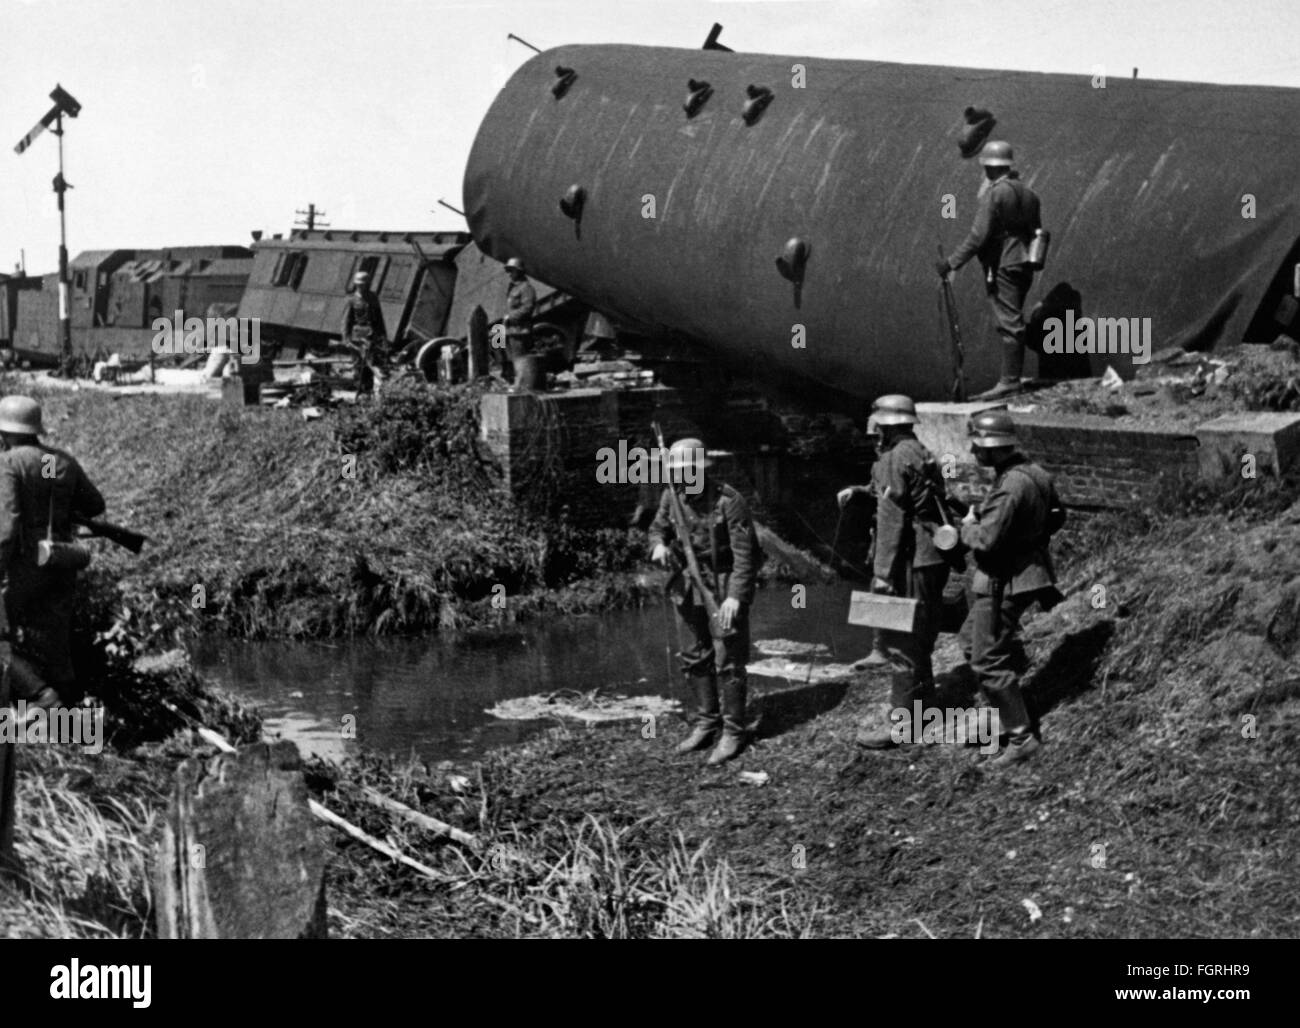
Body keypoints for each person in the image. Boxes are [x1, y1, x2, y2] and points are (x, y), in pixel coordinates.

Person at [839, 395, 958, 749]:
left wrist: (882, 573)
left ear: (885, 426)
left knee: (902, 642)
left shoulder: (892, 458)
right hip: (931, 555)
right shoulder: (919, 451)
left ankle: (902, 726)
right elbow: (906, 495)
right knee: (919, 634)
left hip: (909, 558)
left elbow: (892, 517)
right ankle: (923, 710)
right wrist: (861, 492)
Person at [958, 410, 1065, 765]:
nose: (975, 453)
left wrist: (966, 528)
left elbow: (986, 542)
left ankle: (1021, 737)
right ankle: (1004, 711)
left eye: (979, 447)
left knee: (987, 658)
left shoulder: (1009, 485)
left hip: (1004, 580)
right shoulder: (1036, 474)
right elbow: (1057, 516)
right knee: (968, 638)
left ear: (993, 448)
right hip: (1026, 573)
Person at [649, 438, 758, 765]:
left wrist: (736, 598)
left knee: (729, 659)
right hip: (687, 584)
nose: (684, 480)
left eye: (689, 473)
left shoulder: (729, 501)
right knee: (694, 656)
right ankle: (705, 722)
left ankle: (734, 731)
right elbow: (657, 529)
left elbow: (746, 557)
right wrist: (658, 546)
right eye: (679, 474)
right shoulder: (672, 495)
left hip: (723, 585)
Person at [0, 395, 105, 710]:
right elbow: (94, 505)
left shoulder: (9, 462)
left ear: (7, 432)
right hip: (62, 560)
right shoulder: (61, 461)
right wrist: (56, 509)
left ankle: (40, 696)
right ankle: (70, 712)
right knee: (56, 643)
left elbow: (7, 527)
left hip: (24, 564)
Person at [937, 140, 1043, 400]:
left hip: (1004, 262)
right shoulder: (1030, 194)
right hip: (1025, 262)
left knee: (1009, 322)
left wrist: (951, 263)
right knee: (1013, 317)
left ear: (990, 167)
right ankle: (1012, 377)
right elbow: (1037, 231)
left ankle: (1009, 382)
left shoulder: (996, 194)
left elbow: (978, 236)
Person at [341, 270, 389, 394]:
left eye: (365, 284)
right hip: (357, 338)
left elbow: (379, 319)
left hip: (373, 337)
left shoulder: (373, 298)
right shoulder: (351, 300)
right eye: (360, 284)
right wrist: (346, 339)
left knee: (373, 364)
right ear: (356, 285)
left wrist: (384, 337)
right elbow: (346, 321)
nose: (363, 287)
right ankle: (361, 392)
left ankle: (370, 392)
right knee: (359, 366)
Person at [503, 258, 537, 360]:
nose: (509, 274)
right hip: (510, 330)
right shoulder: (513, 288)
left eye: (511, 271)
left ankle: (520, 375)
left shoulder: (526, 288)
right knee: (504, 355)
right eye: (508, 271)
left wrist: (510, 317)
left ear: (519, 271)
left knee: (520, 361)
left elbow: (528, 308)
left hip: (520, 332)